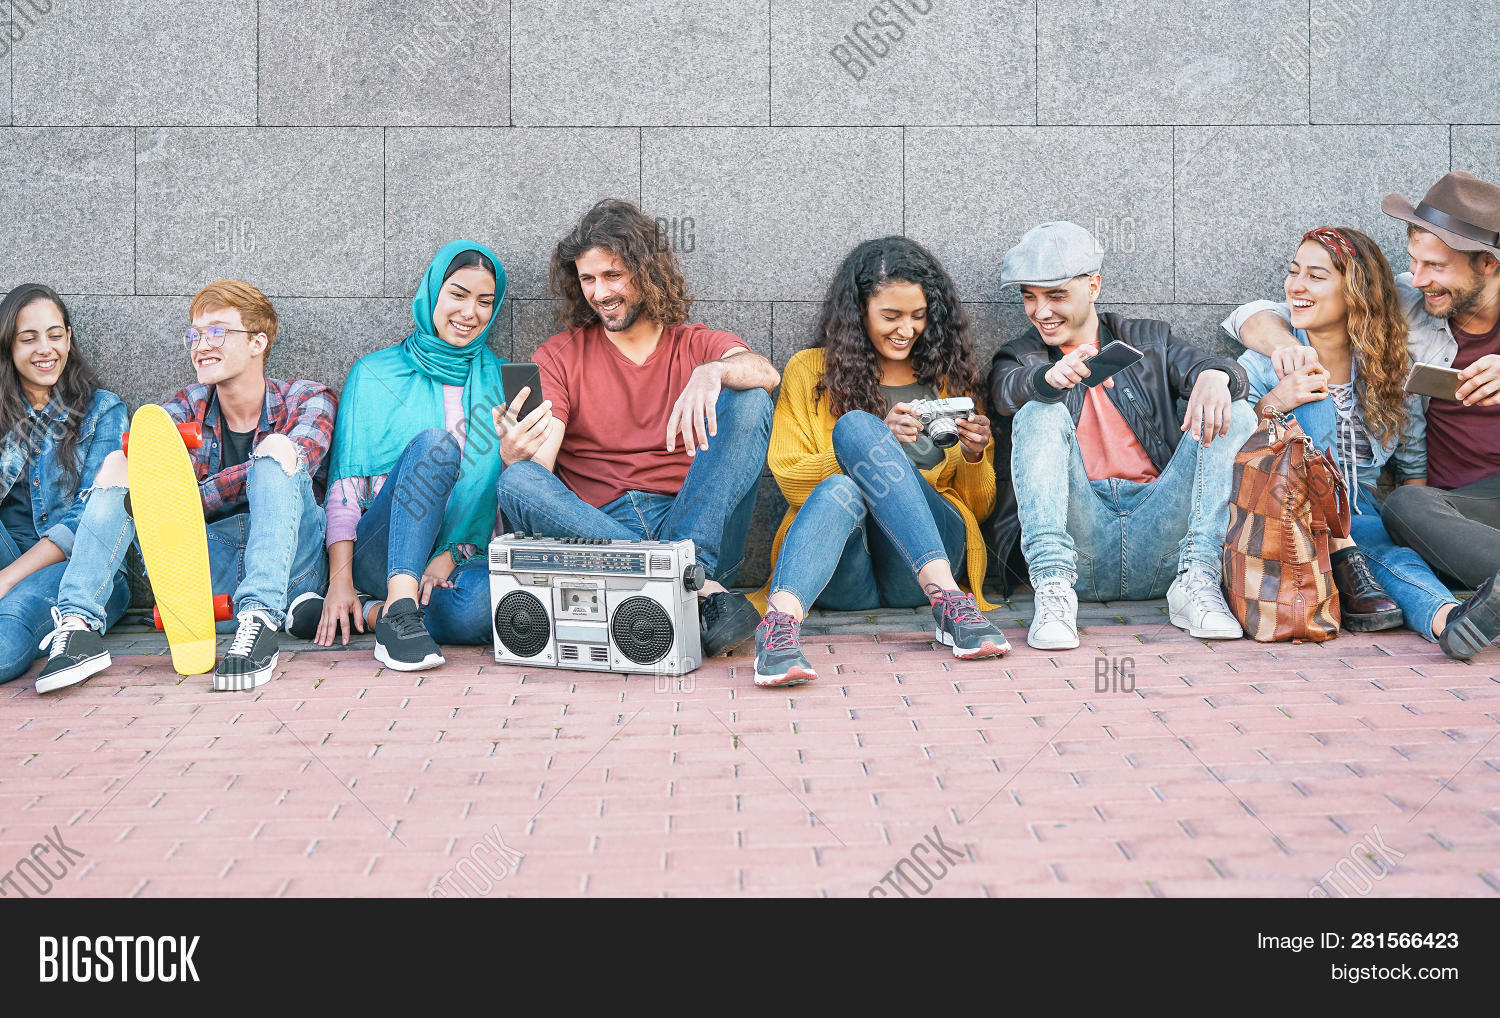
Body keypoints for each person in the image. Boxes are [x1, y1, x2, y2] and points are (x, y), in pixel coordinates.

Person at [1233, 172, 1500, 660]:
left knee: (1388, 534)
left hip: (1411, 512)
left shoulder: (1385, 359)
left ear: (1488, 263)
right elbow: (1252, 315)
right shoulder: (1410, 301)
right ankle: (1423, 601)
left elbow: (1410, 448)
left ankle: (1450, 610)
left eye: (1433, 266)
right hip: (1394, 513)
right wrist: (1287, 361)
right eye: (1413, 262)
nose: (1417, 279)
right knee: (1400, 510)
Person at [495, 198, 778, 658]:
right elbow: (539, 469)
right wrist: (516, 452)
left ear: (647, 272)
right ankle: (688, 586)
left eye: (612, 275)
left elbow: (767, 373)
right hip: (600, 529)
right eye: (588, 279)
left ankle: (687, 571)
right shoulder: (560, 354)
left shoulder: (696, 342)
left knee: (748, 399)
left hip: (693, 519)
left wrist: (714, 372)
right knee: (516, 480)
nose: (599, 292)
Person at [34, 280, 335, 693]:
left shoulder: (308, 398)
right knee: (121, 462)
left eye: (217, 332)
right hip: (205, 574)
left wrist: (185, 496)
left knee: (277, 450)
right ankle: (79, 625)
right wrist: (158, 488)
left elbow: (297, 460)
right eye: (194, 334)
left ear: (257, 342)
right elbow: (151, 476)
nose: (200, 345)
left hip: (291, 573)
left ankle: (260, 623)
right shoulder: (184, 406)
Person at [750, 236, 1010, 687]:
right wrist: (873, 446)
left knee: (858, 437)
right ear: (858, 313)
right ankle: (780, 627)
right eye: (890, 316)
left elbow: (979, 509)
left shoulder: (946, 378)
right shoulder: (808, 371)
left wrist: (972, 456)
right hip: (839, 567)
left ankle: (949, 601)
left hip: (924, 565)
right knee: (853, 442)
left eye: (918, 316)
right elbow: (792, 482)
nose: (906, 329)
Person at [987, 221, 1257, 651]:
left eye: (1056, 295)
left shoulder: (1148, 340)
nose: (1041, 312)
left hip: (1163, 534)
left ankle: (1199, 578)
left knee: (1236, 410)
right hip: (1080, 546)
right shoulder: (1020, 356)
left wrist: (1216, 374)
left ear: (1093, 286)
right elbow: (1006, 391)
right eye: (1029, 297)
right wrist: (1048, 379)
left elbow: (1228, 375)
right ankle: (1052, 590)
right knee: (1037, 412)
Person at [311, 241, 505, 669]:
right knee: (436, 445)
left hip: (457, 561)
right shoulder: (374, 373)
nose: (469, 312)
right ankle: (399, 607)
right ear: (433, 291)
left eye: (485, 301)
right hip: (380, 551)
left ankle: (375, 614)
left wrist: (450, 556)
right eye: (457, 294)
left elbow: (501, 504)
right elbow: (345, 489)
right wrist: (339, 583)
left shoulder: (503, 382)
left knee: (482, 607)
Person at [0, 285, 130, 684]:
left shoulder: (102, 410)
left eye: (55, 336)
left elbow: (87, 520)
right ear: (8, 345)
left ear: (69, 340)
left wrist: (5, 580)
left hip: (76, 566)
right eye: (29, 338)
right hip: (7, 547)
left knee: (14, 618)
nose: (45, 348)